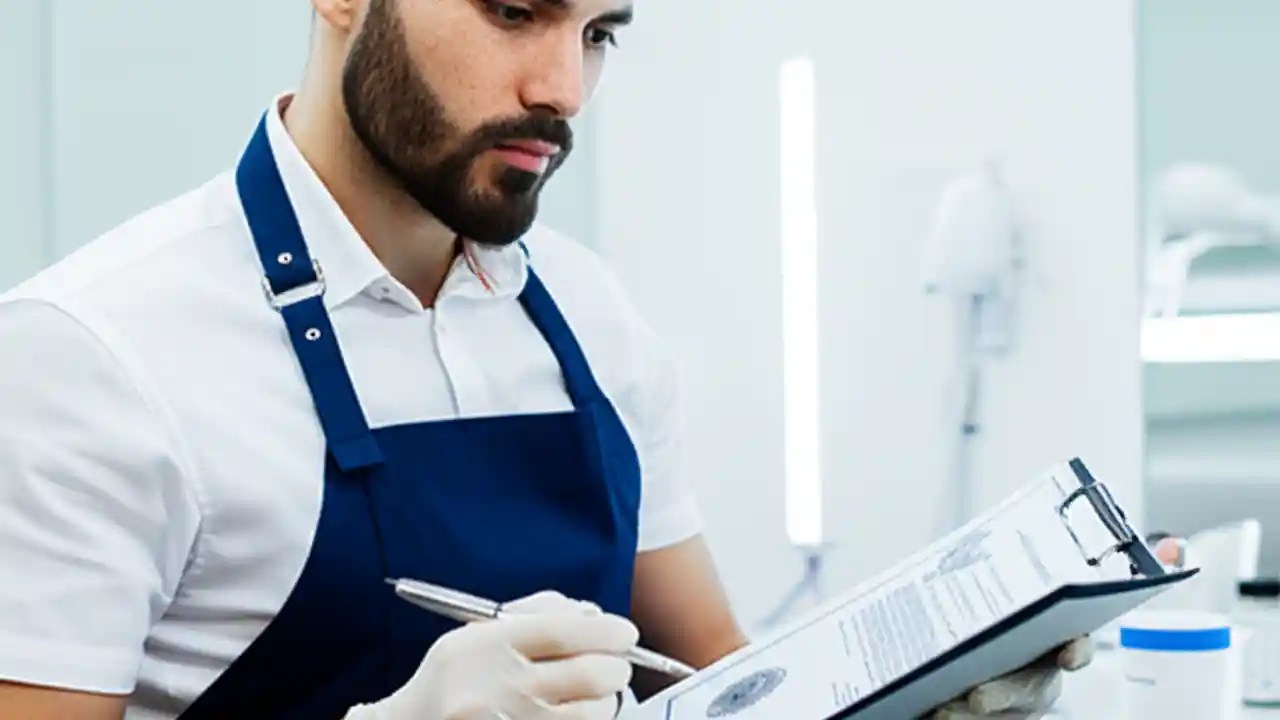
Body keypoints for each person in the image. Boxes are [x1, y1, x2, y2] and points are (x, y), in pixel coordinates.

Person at [0, 1, 1095, 718]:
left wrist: (924, 688)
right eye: (514, 11)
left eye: (599, 32)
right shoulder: (91, 352)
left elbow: (716, 677)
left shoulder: (588, 310)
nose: (563, 88)